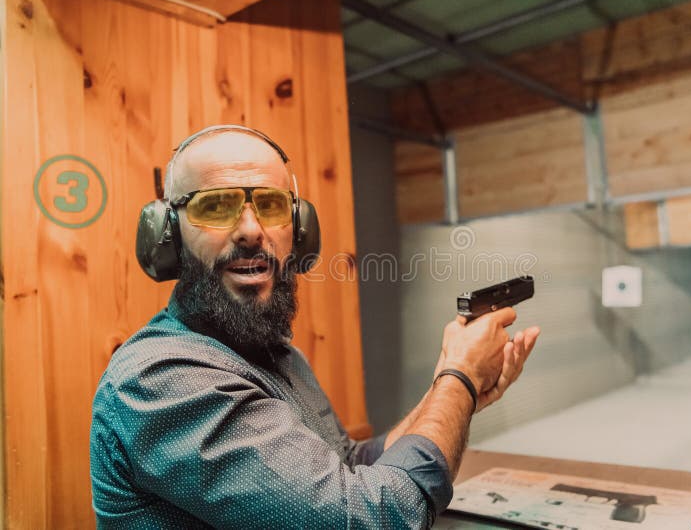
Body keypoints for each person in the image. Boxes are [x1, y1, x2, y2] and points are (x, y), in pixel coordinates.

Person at [90, 125, 540, 529]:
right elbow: (376, 518)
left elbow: (349, 466)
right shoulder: (160, 379)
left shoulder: (279, 356)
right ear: (167, 235)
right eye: (216, 206)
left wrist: (452, 391)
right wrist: (457, 380)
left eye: (271, 205)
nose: (251, 230)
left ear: (300, 231)